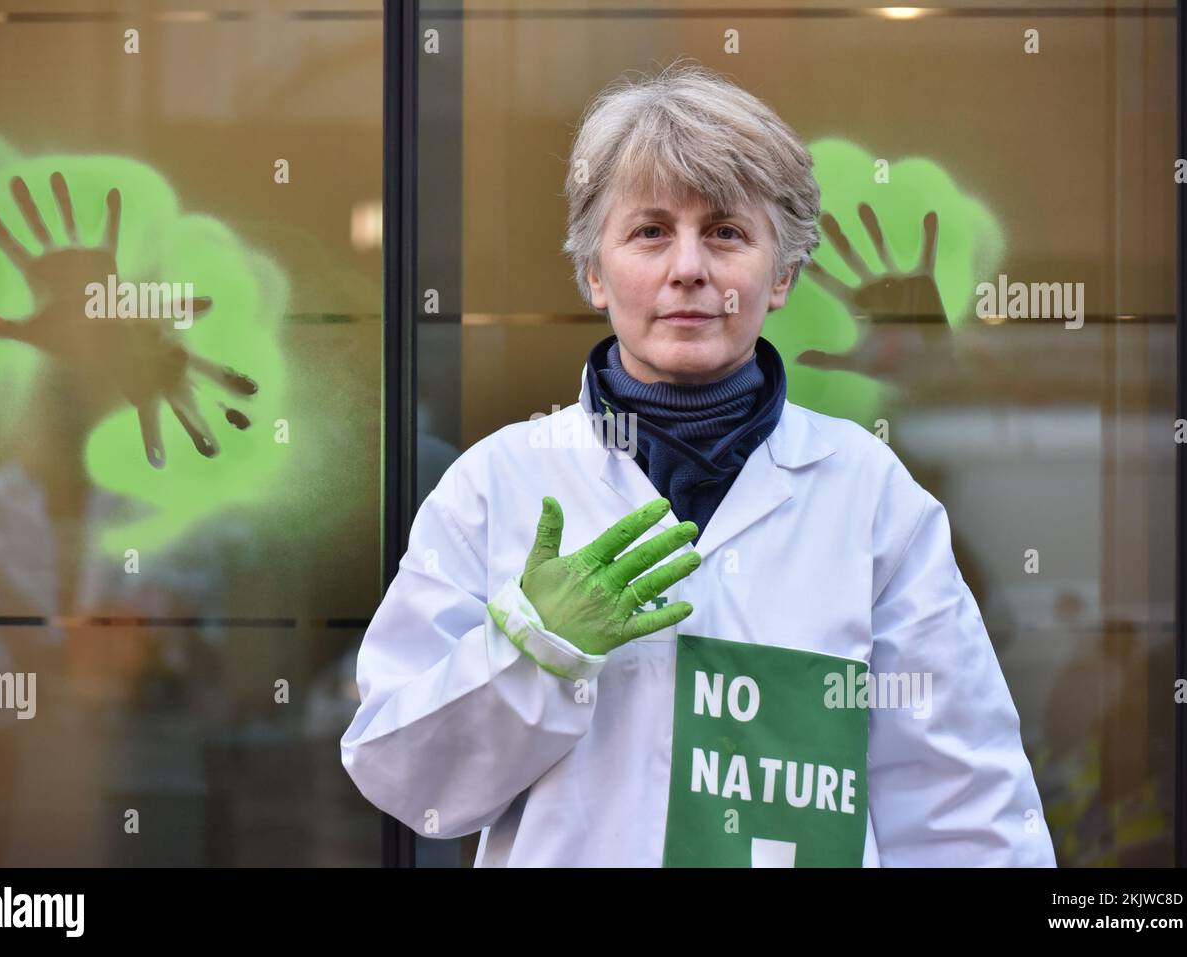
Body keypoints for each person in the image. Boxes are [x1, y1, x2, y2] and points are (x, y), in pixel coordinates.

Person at [341, 60, 1056, 867]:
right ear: (594, 272)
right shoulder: (496, 485)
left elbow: (964, 812)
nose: (688, 267)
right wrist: (535, 651)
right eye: (649, 232)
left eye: (725, 232)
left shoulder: (870, 495)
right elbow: (407, 778)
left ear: (781, 275)